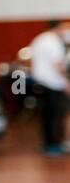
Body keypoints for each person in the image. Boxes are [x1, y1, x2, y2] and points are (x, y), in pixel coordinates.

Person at [29, 20, 69, 155]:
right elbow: (58, 65)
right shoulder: (53, 42)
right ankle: (54, 145)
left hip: (40, 82)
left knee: (47, 116)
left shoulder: (39, 39)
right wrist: (66, 82)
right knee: (55, 116)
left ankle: (48, 144)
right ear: (58, 27)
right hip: (53, 84)